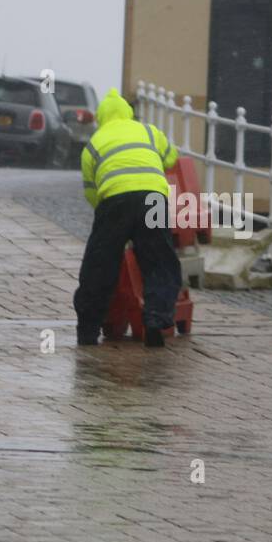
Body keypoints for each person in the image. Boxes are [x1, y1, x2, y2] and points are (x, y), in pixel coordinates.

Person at [74, 88, 183, 348]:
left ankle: (88, 330)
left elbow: (92, 193)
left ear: (102, 118)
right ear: (128, 113)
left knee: (99, 266)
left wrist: (112, 223)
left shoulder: (93, 144)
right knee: (160, 261)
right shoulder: (148, 131)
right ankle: (156, 319)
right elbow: (171, 157)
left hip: (114, 201)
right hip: (153, 198)